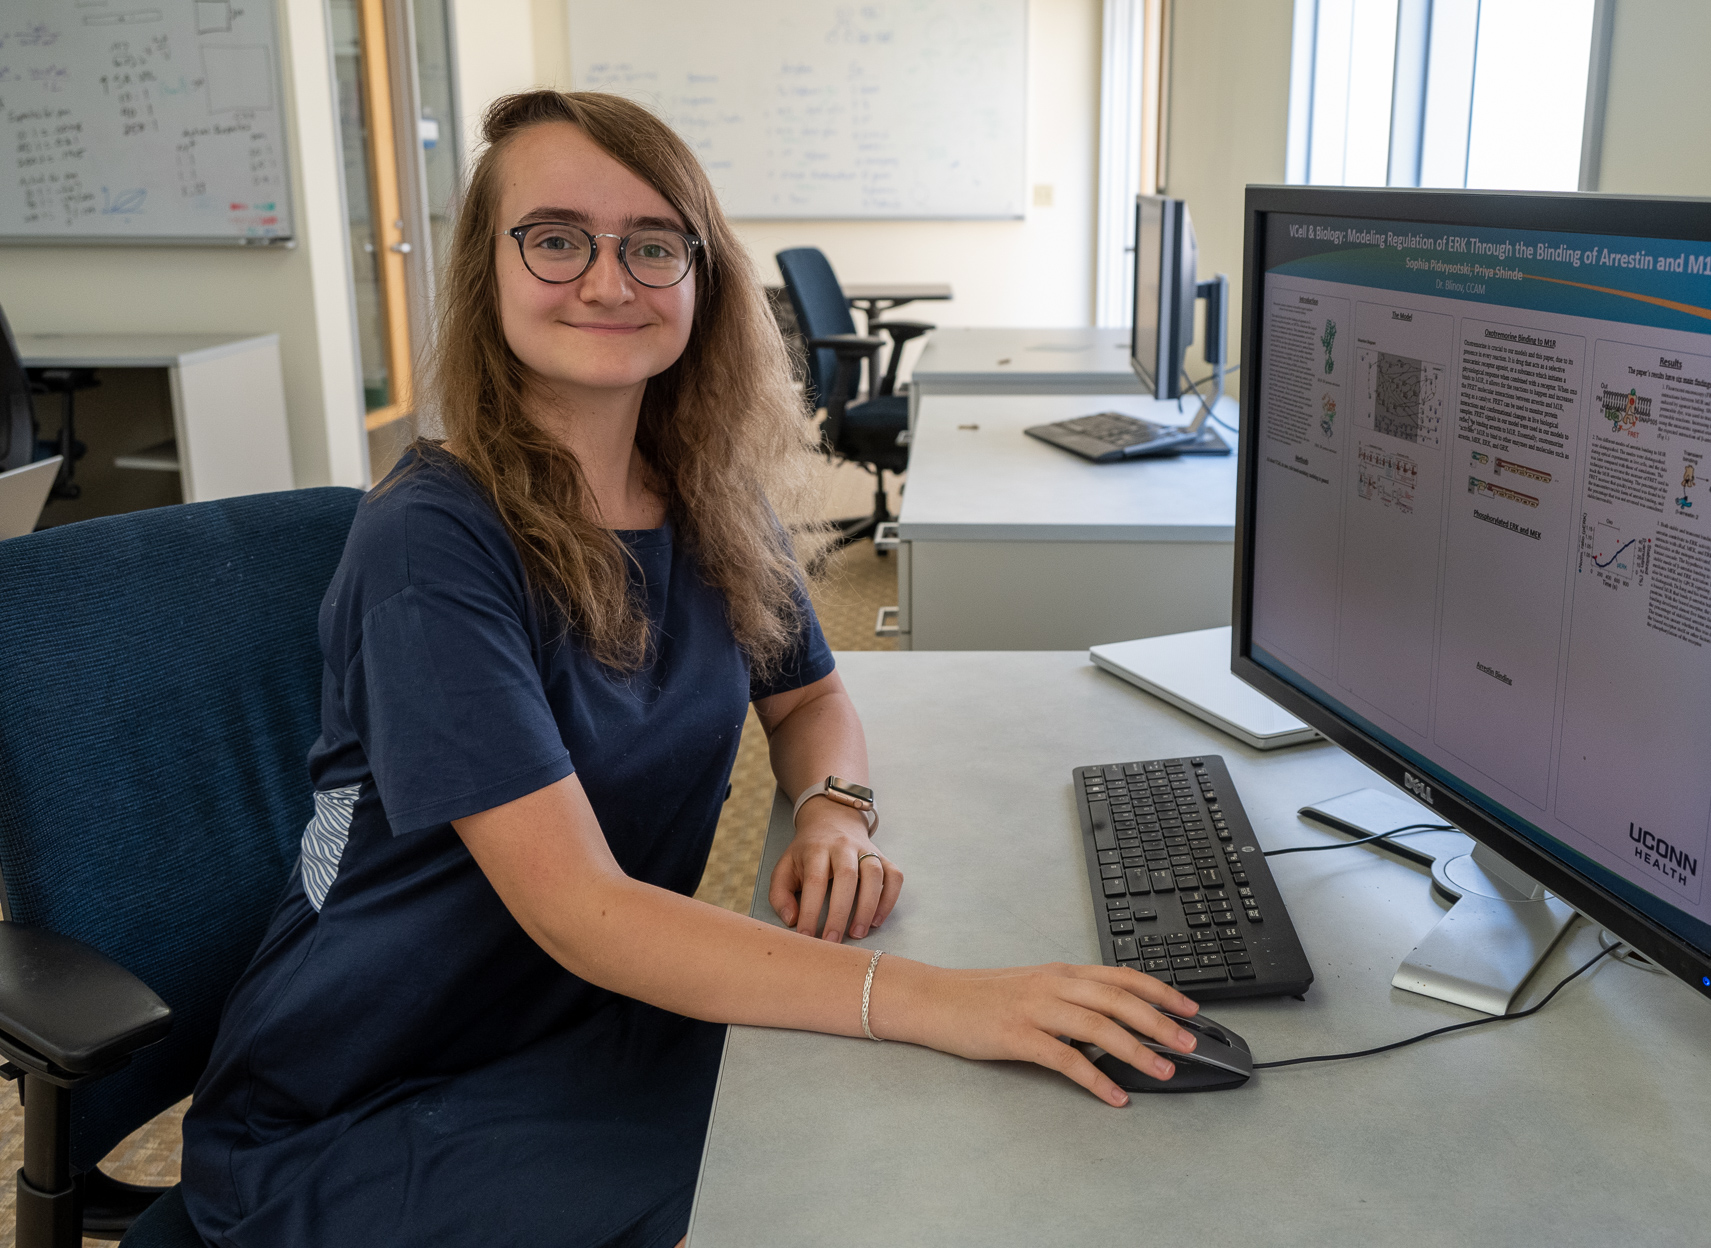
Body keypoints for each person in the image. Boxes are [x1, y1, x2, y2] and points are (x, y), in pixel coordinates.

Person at [180, 89, 1201, 1248]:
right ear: (486, 269)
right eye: (557, 239)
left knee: (916, 1135)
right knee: (842, 1194)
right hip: (375, 1087)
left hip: (603, 1018)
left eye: (653, 244)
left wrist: (835, 814)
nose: (608, 281)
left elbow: (811, 697)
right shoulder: (432, 537)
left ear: (701, 278)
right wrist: (937, 996)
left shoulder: (707, 497)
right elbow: (581, 908)